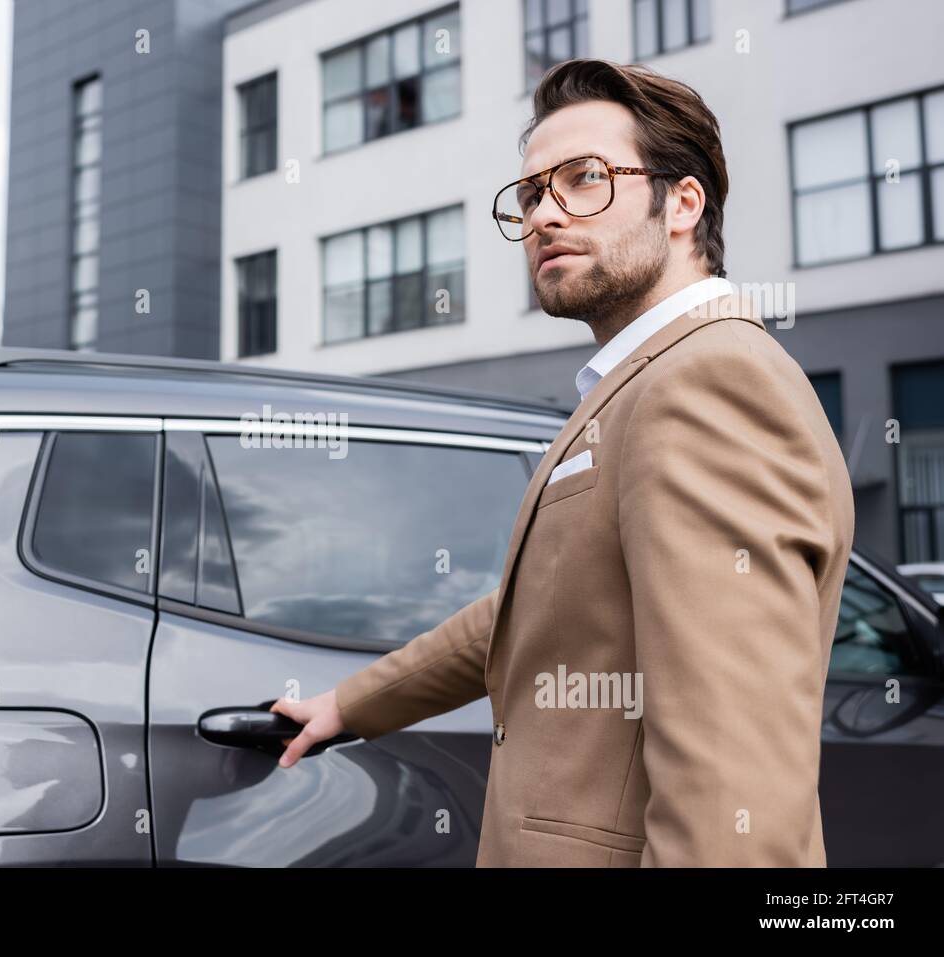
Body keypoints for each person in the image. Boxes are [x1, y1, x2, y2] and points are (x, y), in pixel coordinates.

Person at [269, 58, 854, 867]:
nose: (546, 214)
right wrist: (351, 703)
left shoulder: (709, 384)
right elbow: (540, 607)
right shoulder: (640, 383)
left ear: (683, 203)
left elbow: (734, 791)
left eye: (585, 179)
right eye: (535, 193)